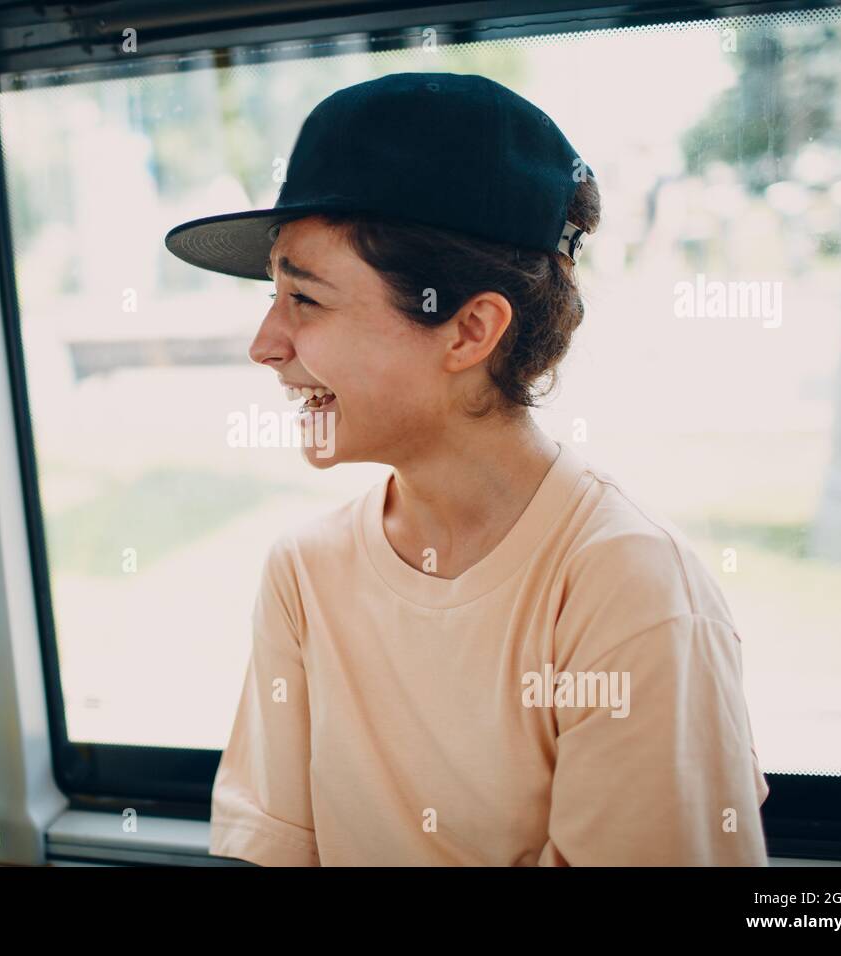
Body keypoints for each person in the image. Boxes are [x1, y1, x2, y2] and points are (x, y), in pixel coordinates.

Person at [165, 72, 769, 866]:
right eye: (274, 296)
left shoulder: (627, 590)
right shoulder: (303, 576)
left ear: (469, 329)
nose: (265, 344)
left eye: (305, 300)